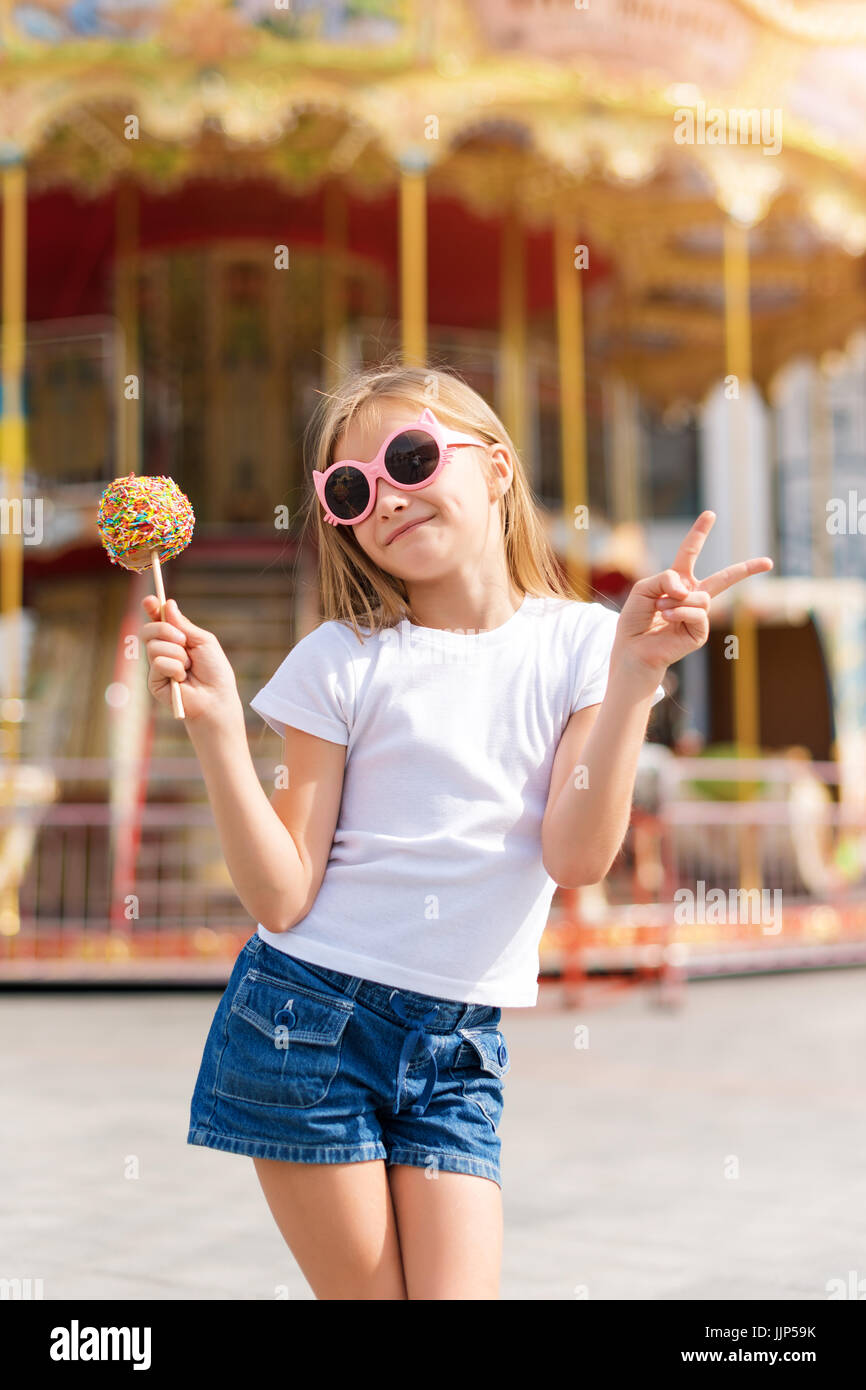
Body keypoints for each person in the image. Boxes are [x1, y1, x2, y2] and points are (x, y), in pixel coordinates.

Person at [141, 362, 773, 1299]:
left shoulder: (582, 644)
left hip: (458, 1046)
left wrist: (636, 679)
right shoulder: (340, 661)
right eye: (352, 490)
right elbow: (282, 893)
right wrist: (220, 732)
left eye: (412, 457)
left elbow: (576, 855)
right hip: (305, 1017)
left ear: (499, 469)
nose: (387, 497)